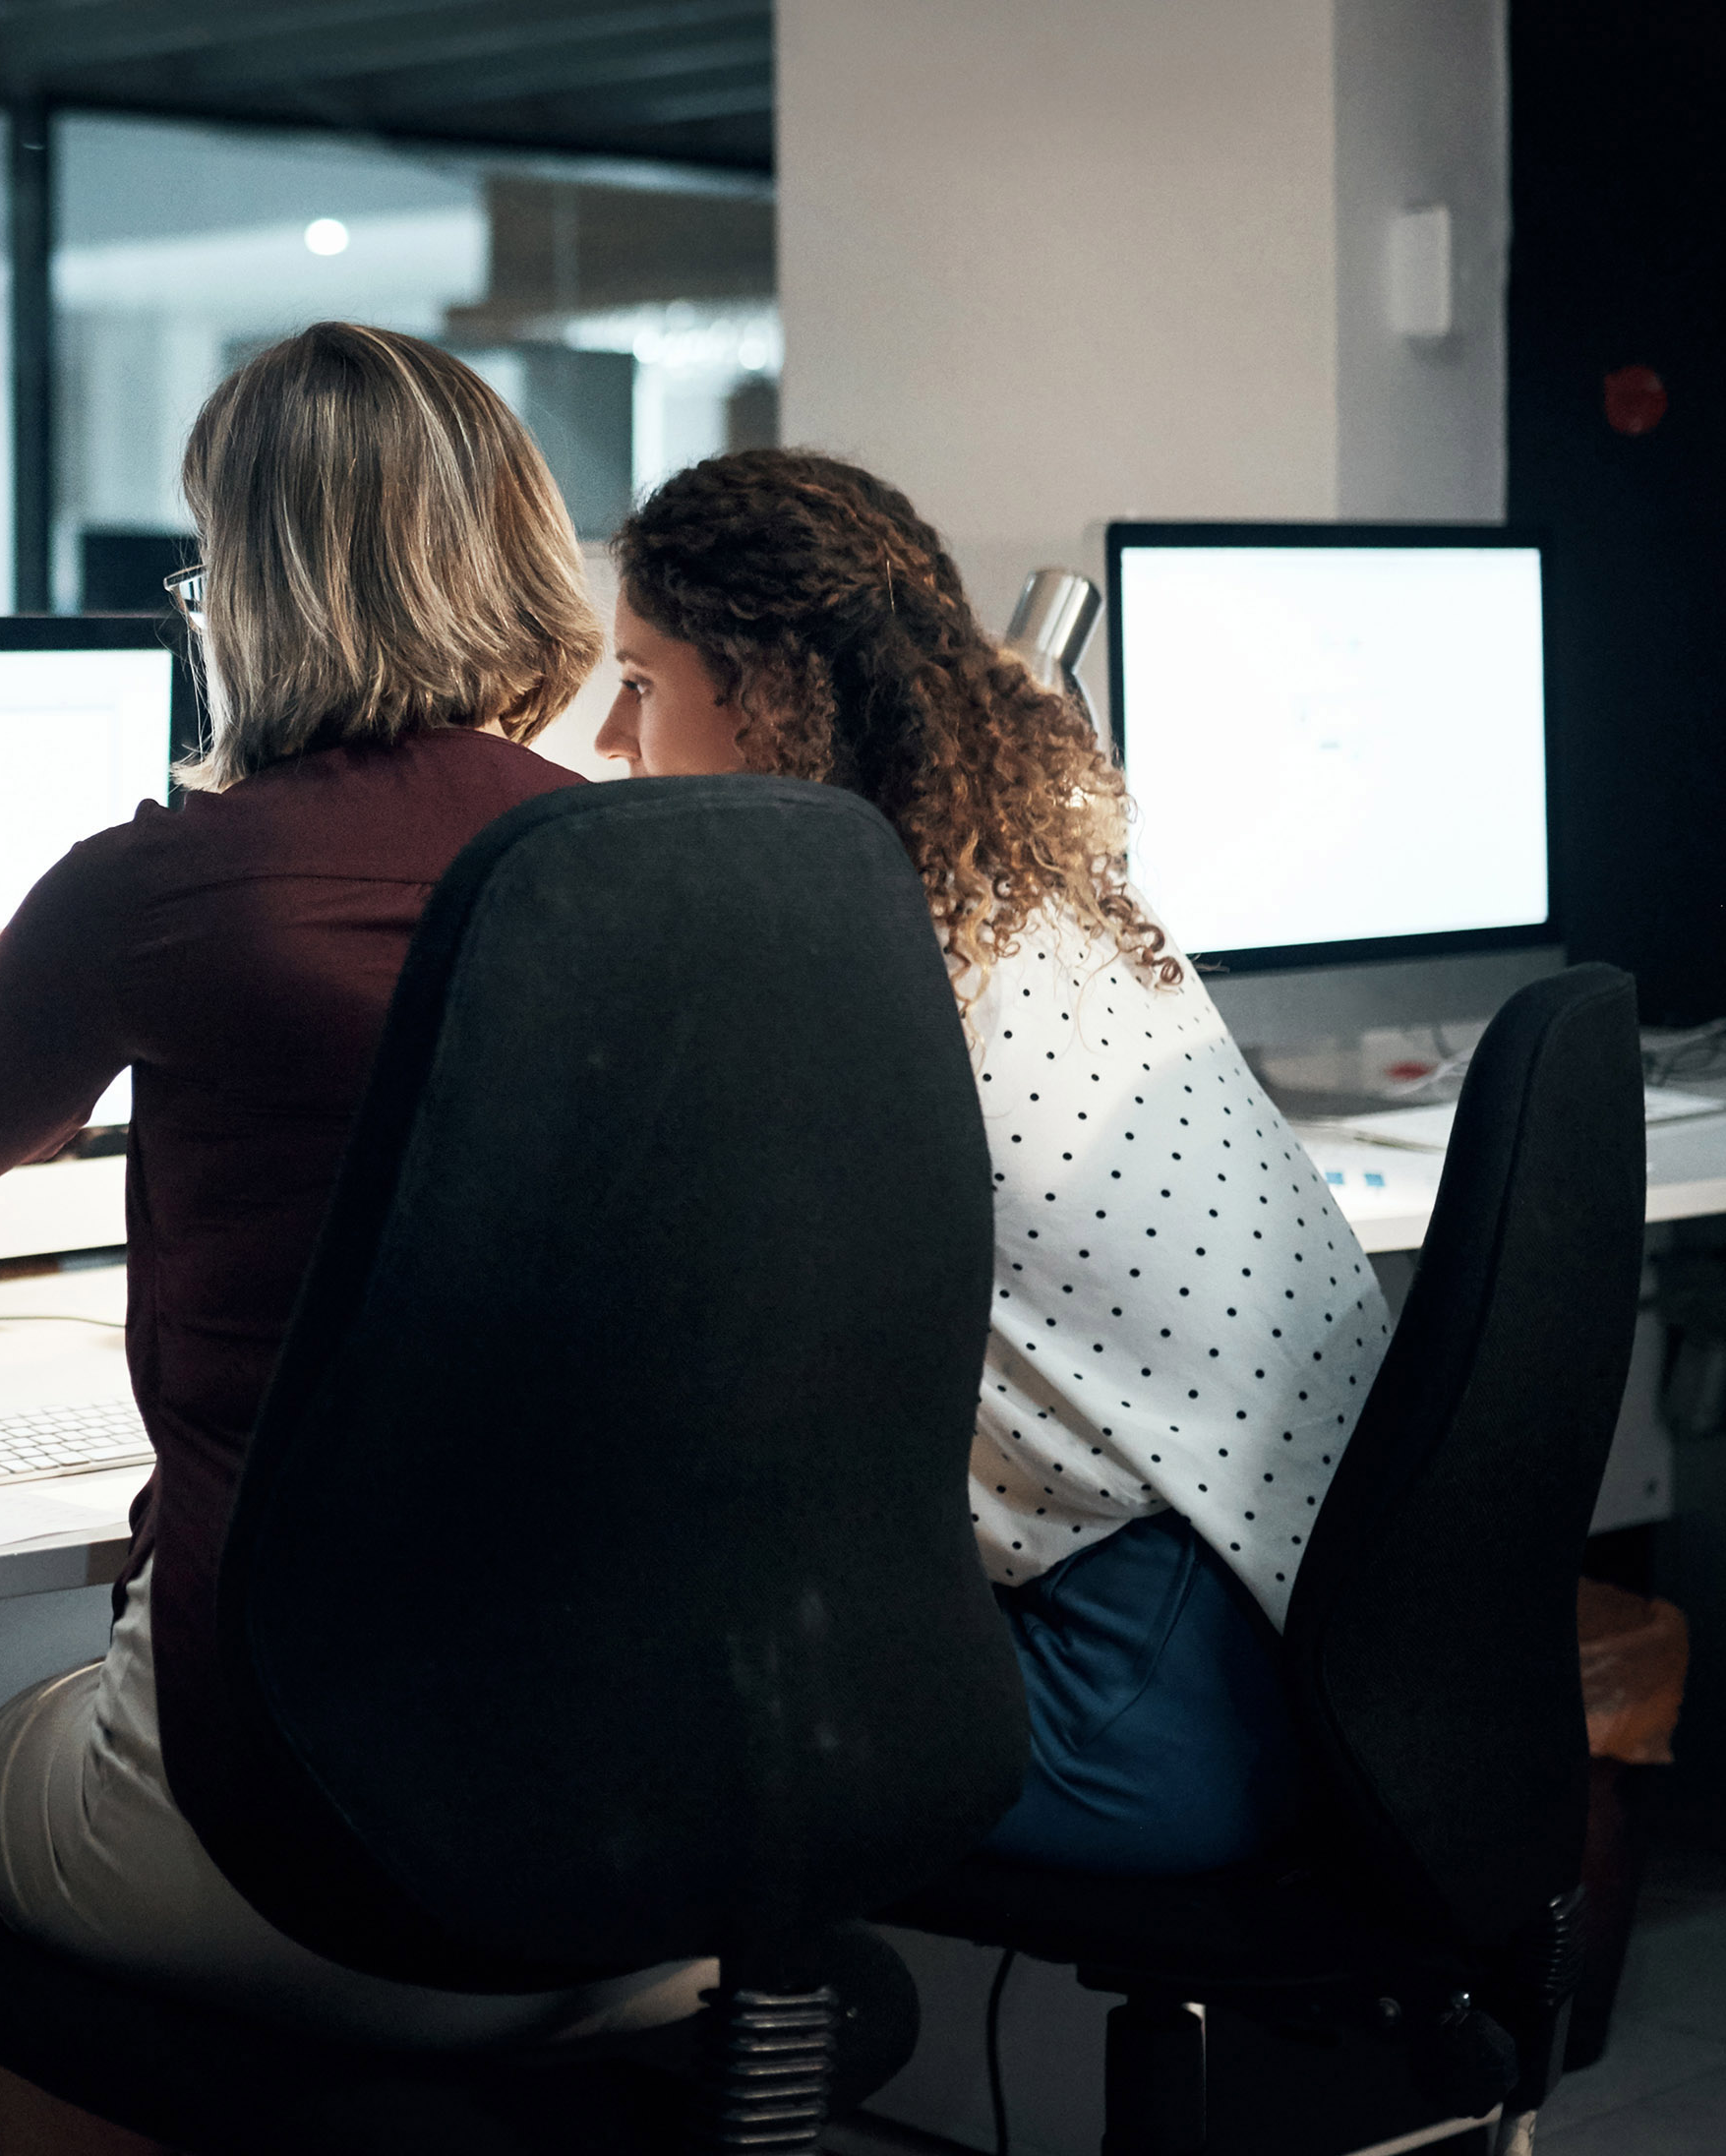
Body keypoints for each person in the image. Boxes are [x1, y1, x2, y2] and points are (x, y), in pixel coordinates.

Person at [0, 324, 680, 2154]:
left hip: (304, 1835)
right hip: (664, 1822)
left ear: (249, 592)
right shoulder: (639, 868)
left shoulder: (171, 883)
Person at [594, 448, 1396, 1877]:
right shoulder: (1031, 889)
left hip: (1156, 1708)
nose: (609, 735)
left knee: (593, 1702)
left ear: (763, 695)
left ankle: (726, 2086)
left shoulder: (857, 974)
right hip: (1325, 1658)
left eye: (643, 680)